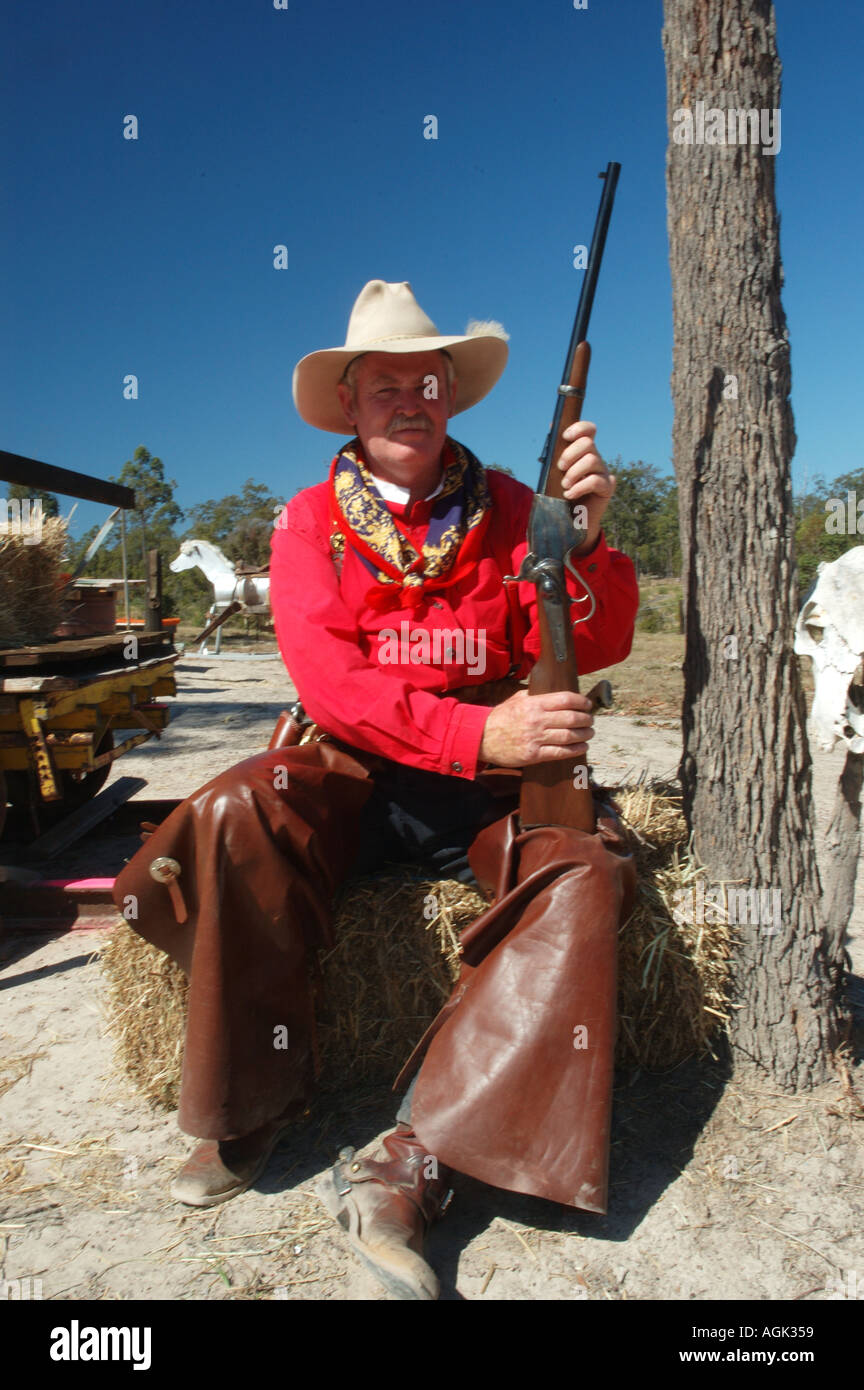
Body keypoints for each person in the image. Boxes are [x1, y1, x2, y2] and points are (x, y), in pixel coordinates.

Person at [112, 280, 638, 1300]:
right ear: (350, 406)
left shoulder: (519, 511)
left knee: (588, 871)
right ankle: (246, 1104)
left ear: (452, 398)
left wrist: (590, 539)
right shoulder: (308, 524)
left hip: (490, 788)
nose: (410, 399)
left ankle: (412, 1164)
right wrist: (481, 726)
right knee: (229, 811)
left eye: (428, 381)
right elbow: (331, 683)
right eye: (384, 384)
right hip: (358, 769)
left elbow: (594, 637)